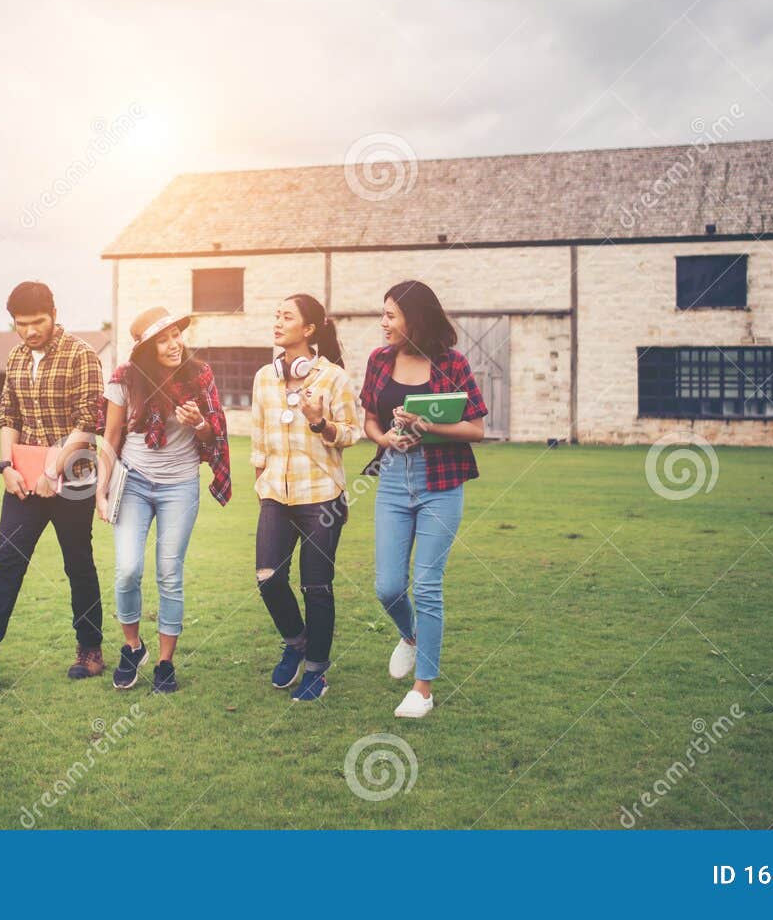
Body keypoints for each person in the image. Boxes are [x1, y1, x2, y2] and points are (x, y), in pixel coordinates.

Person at [0, 281, 106, 691]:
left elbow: (88, 423)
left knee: (77, 563)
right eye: (21, 324)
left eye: (37, 322)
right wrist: (6, 466)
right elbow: (8, 414)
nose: (29, 331)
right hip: (24, 476)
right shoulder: (15, 356)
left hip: (74, 477)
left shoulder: (82, 355)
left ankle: (90, 650)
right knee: (6, 561)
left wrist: (53, 472)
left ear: (54, 313)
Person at [361, 280, 488, 719]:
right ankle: (410, 636)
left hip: (442, 482)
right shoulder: (379, 361)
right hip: (394, 480)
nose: (383, 323)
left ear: (415, 318)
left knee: (429, 586)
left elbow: (476, 430)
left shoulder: (452, 364)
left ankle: (423, 689)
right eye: (384, 314)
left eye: (391, 315)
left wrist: (425, 426)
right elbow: (370, 421)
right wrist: (387, 439)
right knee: (389, 586)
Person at [94, 307, 231, 694]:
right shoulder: (125, 379)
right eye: (163, 339)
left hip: (180, 485)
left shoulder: (198, 374)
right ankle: (132, 646)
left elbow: (213, 435)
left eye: (176, 335)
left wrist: (199, 424)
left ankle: (165, 663)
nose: (174, 344)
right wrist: (100, 491)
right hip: (134, 482)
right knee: (127, 570)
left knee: (169, 574)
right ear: (146, 348)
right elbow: (112, 435)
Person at [250, 293, 361, 702]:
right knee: (269, 579)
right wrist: (261, 481)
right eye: (275, 315)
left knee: (317, 586)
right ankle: (295, 641)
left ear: (310, 329)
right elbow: (259, 436)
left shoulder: (333, 378)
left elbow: (352, 433)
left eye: (287, 317)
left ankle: (317, 670)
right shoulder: (265, 377)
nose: (278, 323)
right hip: (276, 494)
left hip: (321, 498)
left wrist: (320, 423)